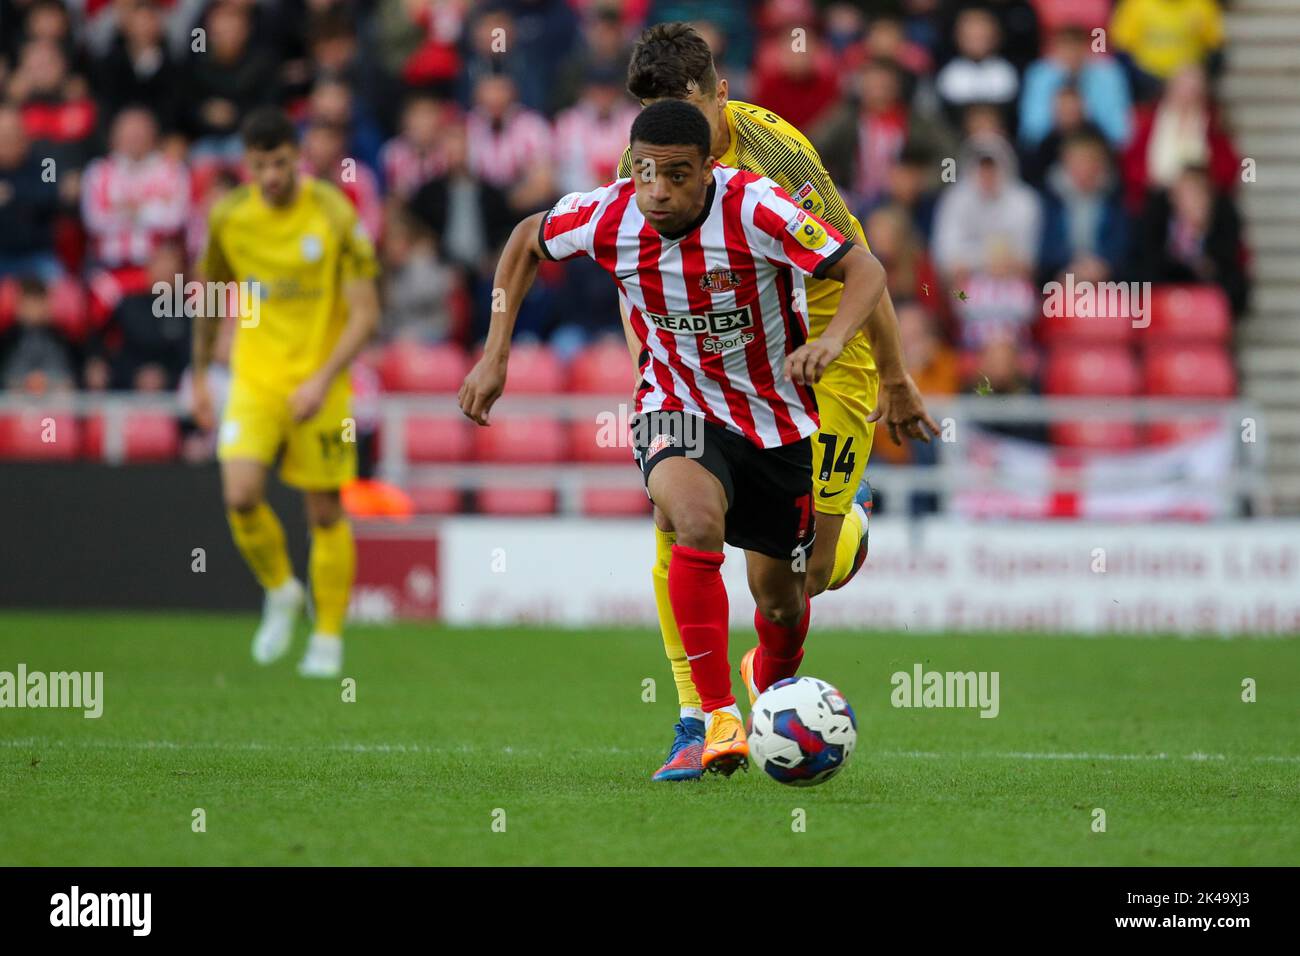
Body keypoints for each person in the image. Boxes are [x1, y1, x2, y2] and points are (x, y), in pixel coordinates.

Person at [458, 99, 889, 776]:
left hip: (774, 422)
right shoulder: (609, 213)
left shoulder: (758, 208)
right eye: (645, 172)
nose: (658, 190)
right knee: (692, 519)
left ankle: (772, 682)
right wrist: (496, 354)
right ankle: (716, 719)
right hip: (675, 405)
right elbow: (524, 241)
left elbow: (864, 268)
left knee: (785, 597)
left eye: (677, 176)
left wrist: (833, 341)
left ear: (708, 171)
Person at [613, 22, 938, 782]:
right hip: (714, 362)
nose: (671, 130)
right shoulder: (649, 160)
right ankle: (699, 715)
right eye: (655, 112)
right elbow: (630, 277)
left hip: (824, 354)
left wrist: (893, 377)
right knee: (678, 512)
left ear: (721, 93)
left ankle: (839, 542)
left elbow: (862, 266)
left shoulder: (781, 156)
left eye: (686, 105)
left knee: (801, 578)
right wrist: (654, 370)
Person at [191, 108, 381, 678]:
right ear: (246, 167)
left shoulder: (331, 212)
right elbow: (206, 296)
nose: (271, 176)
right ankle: (280, 590)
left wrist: (321, 380)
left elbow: (366, 313)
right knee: (241, 494)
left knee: (323, 511)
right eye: (259, 166)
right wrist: (201, 374)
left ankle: (327, 639)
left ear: (297, 158)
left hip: (322, 381)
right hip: (254, 376)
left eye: (280, 163)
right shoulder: (228, 217)